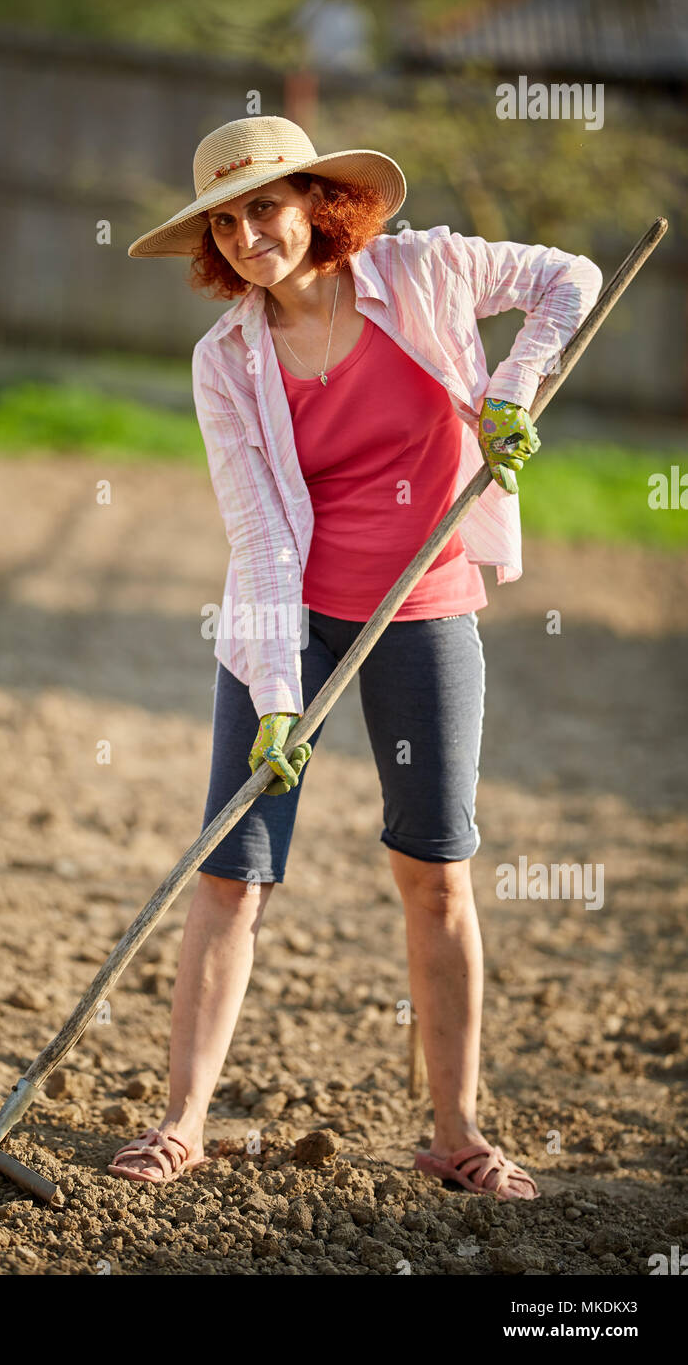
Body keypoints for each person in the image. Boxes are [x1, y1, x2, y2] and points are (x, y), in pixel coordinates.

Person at [112, 115, 602, 1198]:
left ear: (315, 204)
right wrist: (276, 696)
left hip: (425, 610)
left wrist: (510, 390)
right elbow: (256, 533)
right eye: (226, 220)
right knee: (232, 871)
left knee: (433, 871)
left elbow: (569, 276)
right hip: (290, 620)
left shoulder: (420, 270)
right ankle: (181, 1123)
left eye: (266, 207)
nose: (248, 234)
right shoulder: (226, 360)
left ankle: (457, 1133)